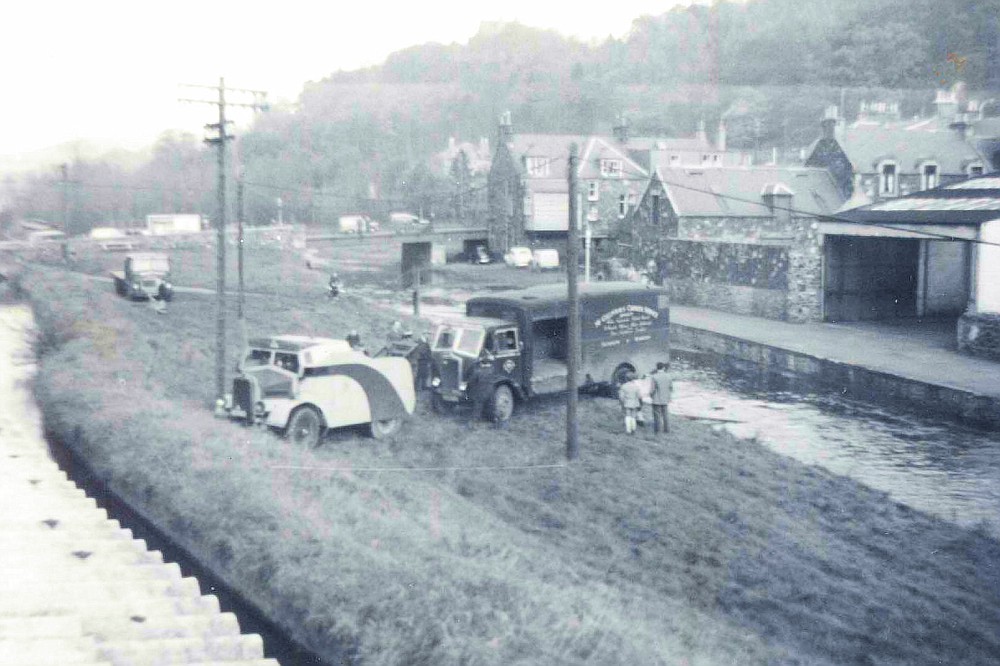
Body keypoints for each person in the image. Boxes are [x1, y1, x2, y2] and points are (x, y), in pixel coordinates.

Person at [649, 361, 673, 435]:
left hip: (656, 399)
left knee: (657, 415)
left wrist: (651, 395)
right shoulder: (669, 376)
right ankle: (667, 430)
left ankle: (657, 430)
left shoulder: (654, 377)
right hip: (665, 398)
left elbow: (652, 390)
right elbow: (671, 388)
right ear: (663, 368)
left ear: (657, 368)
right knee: (665, 415)